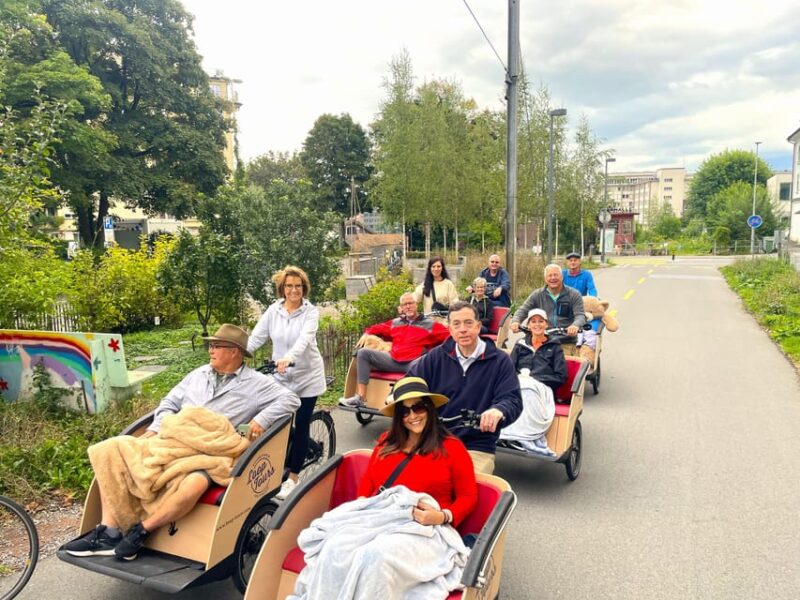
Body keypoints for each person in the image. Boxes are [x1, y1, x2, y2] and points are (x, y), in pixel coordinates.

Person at [64, 324, 300, 561]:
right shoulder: (198, 374)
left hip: (210, 450)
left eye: (217, 346)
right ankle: (109, 531)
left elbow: (291, 399)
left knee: (194, 484)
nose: (211, 350)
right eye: (211, 345)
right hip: (173, 441)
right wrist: (156, 430)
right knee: (111, 449)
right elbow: (168, 403)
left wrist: (260, 419)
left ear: (235, 352)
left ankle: (141, 531)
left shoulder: (257, 383)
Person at [289, 377, 477, 599]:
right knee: (334, 548)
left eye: (418, 407)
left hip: (424, 528)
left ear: (429, 408)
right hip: (379, 517)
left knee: (374, 556)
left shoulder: (452, 448)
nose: (412, 416)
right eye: (405, 411)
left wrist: (442, 516)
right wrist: (360, 508)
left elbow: (468, 496)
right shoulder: (387, 440)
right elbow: (369, 480)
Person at [408, 301, 522, 474]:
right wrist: (395, 396)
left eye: (468, 323)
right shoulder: (435, 357)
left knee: (465, 486)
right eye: (456, 324)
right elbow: (410, 381)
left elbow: (512, 399)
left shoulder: (500, 361)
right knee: (410, 482)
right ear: (450, 329)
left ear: (478, 326)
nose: (462, 329)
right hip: (435, 439)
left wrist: (498, 410)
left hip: (476, 445)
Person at [247, 265, 327, 501]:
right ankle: (300, 450)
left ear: (304, 288)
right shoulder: (274, 310)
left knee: (301, 423)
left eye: (298, 286)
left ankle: (293, 477)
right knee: (274, 420)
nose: (294, 290)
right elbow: (257, 337)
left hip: (306, 376)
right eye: (289, 286)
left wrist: (288, 358)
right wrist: (239, 353)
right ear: (282, 288)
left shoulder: (310, 312)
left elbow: (304, 340)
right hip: (280, 376)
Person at [339, 292, 450, 408]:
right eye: (404, 304)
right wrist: (367, 333)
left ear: (417, 305)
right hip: (393, 360)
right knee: (363, 353)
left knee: (423, 363)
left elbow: (450, 336)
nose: (408, 306)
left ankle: (401, 398)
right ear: (401, 307)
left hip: (414, 363)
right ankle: (360, 398)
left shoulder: (430, 324)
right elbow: (377, 327)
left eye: (410, 303)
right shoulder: (395, 323)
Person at [499, 309, 567, 456]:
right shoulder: (521, 344)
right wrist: (521, 378)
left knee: (528, 389)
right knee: (512, 390)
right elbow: (510, 369)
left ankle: (525, 438)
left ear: (546, 324)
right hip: (521, 382)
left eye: (540, 321)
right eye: (533, 321)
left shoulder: (555, 346)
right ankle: (507, 435)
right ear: (529, 325)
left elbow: (561, 376)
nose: (537, 325)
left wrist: (535, 378)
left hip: (543, 387)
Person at [510, 264, 586, 351]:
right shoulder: (537, 294)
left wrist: (575, 326)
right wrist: (516, 321)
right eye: (550, 275)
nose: (553, 278)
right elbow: (523, 310)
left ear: (561, 277)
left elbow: (580, 315)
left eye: (556, 275)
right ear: (545, 279)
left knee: (566, 362)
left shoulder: (574, 294)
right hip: (542, 340)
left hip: (566, 342)